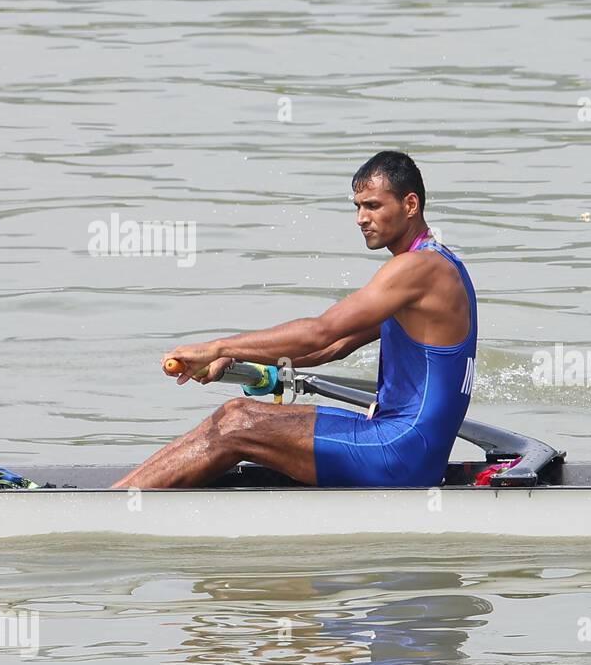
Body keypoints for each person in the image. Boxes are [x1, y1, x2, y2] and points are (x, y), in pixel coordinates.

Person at [115, 151, 477, 489]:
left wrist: (216, 347)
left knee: (237, 421)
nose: (360, 218)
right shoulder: (440, 266)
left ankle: (111, 503)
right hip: (403, 445)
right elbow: (335, 347)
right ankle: (120, 494)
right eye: (357, 207)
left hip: (399, 451)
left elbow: (321, 332)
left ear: (410, 204)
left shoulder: (419, 268)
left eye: (372, 206)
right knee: (238, 415)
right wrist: (245, 360)